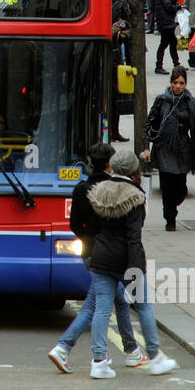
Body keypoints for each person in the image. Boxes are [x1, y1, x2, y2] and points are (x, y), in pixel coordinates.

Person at [47, 142, 148, 375]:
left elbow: (74, 224)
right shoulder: (109, 187)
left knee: (119, 302)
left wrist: (89, 240)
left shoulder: (81, 187)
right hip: (110, 255)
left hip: (90, 253)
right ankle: (67, 348)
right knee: (95, 306)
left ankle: (132, 351)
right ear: (109, 164)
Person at [78, 149, 179, 378]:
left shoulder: (98, 191)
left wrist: (92, 255)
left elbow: (91, 230)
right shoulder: (134, 196)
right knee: (143, 307)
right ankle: (155, 357)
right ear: (133, 170)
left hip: (101, 259)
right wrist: (136, 269)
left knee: (102, 310)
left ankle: (99, 362)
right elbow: (134, 237)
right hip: (126, 261)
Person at [140, 65, 195, 230]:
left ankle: (172, 206)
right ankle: (169, 217)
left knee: (180, 187)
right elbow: (148, 124)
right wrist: (145, 147)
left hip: (182, 148)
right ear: (170, 83)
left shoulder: (190, 102)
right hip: (164, 146)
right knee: (167, 185)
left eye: (181, 83)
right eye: (175, 83)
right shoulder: (162, 100)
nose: (178, 86)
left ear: (185, 84)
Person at [151, 0, 180, 74]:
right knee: (166, 44)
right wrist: (178, 7)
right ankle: (161, 65)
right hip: (167, 23)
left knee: (169, 43)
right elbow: (168, 7)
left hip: (164, 23)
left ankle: (175, 64)